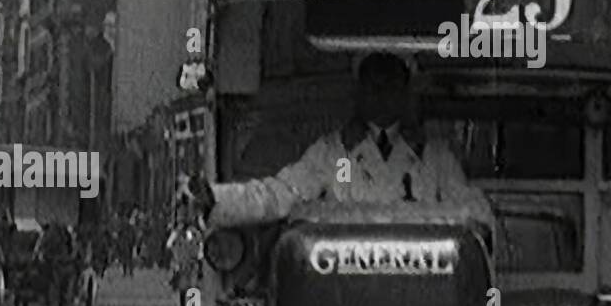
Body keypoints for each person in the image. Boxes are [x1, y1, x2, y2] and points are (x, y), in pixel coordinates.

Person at [189, 52, 492, 228]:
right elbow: (279, 194)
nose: (382, 93)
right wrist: (218, 198)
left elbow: (473, 211)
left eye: (390, 84)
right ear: (359, 92)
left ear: (405, 91)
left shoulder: (435, 157)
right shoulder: (333, 153)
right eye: (373, 84)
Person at [166, 218, 204, 306]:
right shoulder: (179, 234)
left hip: (190, 262)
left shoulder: (195, 234)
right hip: (183, 262)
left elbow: (200, 246)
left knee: (191, 285)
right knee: (184, 285)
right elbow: (169, 245)